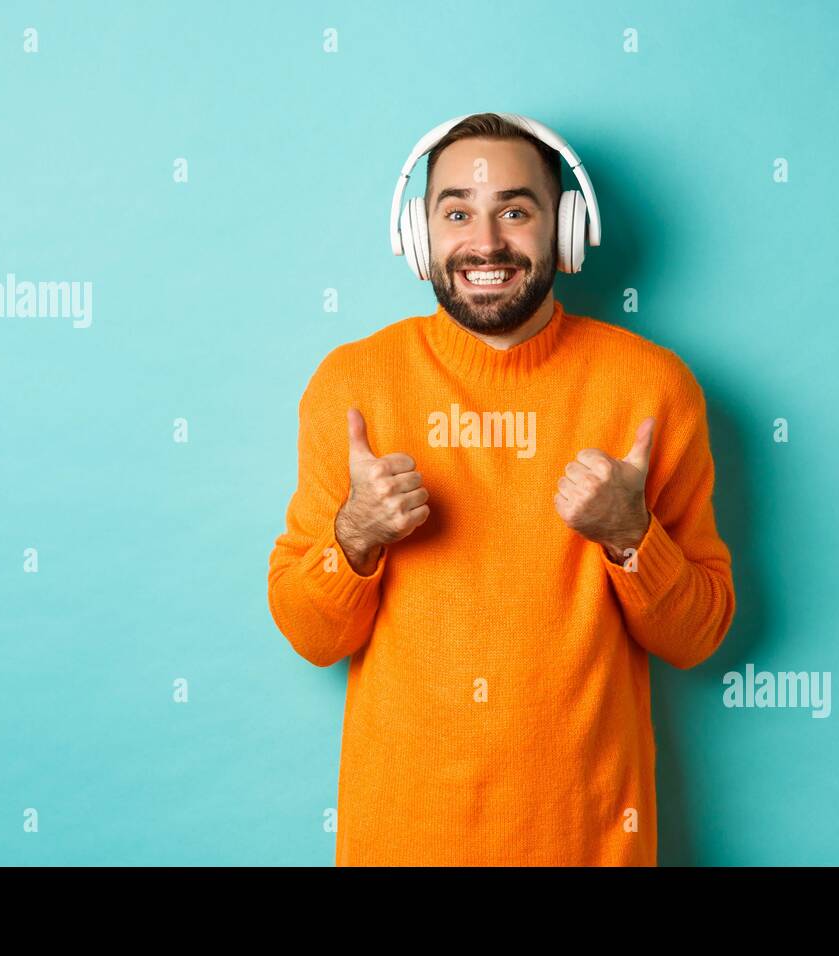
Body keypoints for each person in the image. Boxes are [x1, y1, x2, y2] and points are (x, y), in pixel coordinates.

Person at [267, 112, 736, 865]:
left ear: (566, 228)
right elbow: (311, 636)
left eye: (515, 211)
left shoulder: (653, 387)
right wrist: (355, 536)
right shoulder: (351, 385)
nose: (485, 243)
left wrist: (630, 537)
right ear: (420, 235)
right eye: (457, 212)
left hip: (589, 845)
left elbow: (697, 637)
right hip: (403, 844)